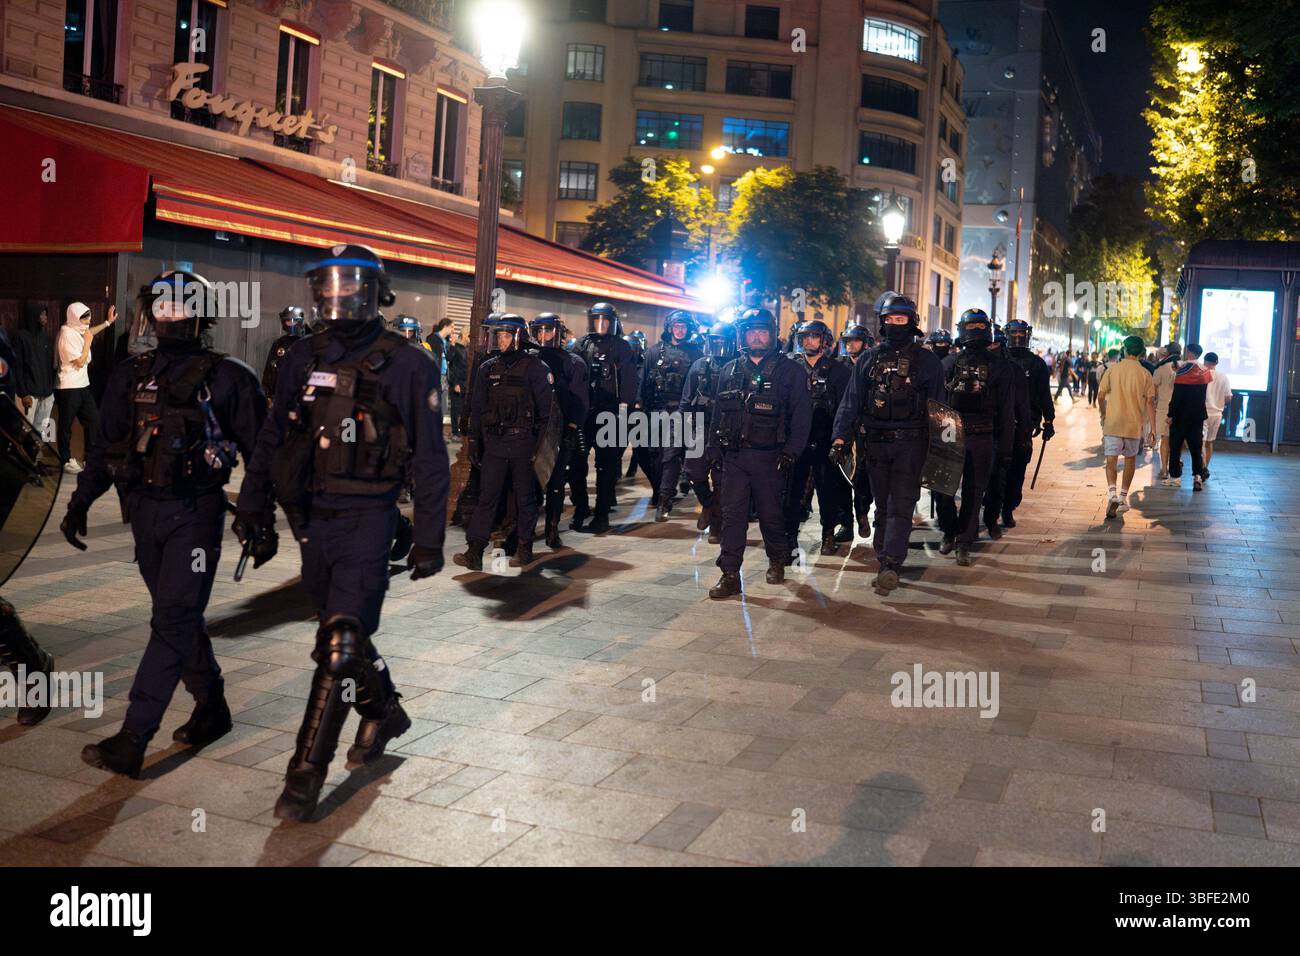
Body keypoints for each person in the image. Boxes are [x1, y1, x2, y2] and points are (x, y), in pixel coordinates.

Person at [234, 244, 447, 821]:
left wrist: (429, 539)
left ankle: (304, 776)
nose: (339, 295)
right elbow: (273, 436)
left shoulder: (409, 364)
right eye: (329, 285)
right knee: (341, 633)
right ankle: (384, 711)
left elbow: (431, 458)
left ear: (377, 291)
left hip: (369, 515)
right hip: (310, 517)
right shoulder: (302, 356)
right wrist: (252, 508)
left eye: (352, 284)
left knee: (339, 645)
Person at [58, 270, 267, 776]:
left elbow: (265, 454)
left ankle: (134, 734)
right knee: (179, 616)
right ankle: (211, 705)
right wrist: (80, 502)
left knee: (171, 618)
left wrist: (261, 518)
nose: (170, 315)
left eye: (181, 306)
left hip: (196, 515)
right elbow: (109, 446)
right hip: (144, 514)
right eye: (163, 306)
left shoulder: (230, 377)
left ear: (200, 314)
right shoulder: (132, 374)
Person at [830, 293, 945, 594]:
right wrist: (840, 437)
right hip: (876, 444)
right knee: (881, 506)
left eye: (901, 319)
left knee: (901, 504)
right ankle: (884, 558)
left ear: (912, 322)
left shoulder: (928, 361)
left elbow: (939, 408)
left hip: (912, 443)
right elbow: (851, 402)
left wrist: (940, 450)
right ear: (882, 323)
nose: (895, 324)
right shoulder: (868, 359)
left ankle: (892, 562)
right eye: (890, 319)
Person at [706, 308, 811, 598]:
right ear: (742, 335)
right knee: (731, 517)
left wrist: (791, 452)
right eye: (751, 331)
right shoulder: (729, 370)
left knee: (771, 515)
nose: (756, 335)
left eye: (762, 330)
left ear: (772, 334)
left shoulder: (791, 371)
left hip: (771, 457)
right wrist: (713, 451)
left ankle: (777, 561)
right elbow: (717, 414)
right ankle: (729, 574)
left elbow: (802, 418)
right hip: (734, 458)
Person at [454, 314, 555, 570]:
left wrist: (538, 451)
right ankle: (474, 551)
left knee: (525, 499)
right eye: (499, 335)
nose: (501, 340)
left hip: (523, 444)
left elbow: (547, 415)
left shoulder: (536, 368)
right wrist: (475, 441)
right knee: (487, 498)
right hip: (496, 444)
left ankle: (524, 546)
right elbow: (477, 409)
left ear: (519, 337)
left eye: (507, 335)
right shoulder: (488, 368)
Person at [931, 310, 1014, 565]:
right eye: (972, 325)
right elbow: (935, 404)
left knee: (974, 491)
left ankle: (964, 542)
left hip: (982, 434)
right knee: (943, 488)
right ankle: (949, 531)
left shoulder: (1000, 366)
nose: (976, 329)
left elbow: (1006, 410)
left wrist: (1005, 448)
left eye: (980, 324)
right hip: (950, 433)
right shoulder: (947, 364)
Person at [783, 319, 851, 558]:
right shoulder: (789, 367)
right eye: (804, 337)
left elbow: (846, 407)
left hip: (825, 440)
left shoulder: (839, 371)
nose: (808, 341)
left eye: (813, 336)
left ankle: (828, 537)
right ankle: (789, 538)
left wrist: (841, 440)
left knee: (827, 491)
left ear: (824, 341)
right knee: (792, 492)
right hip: (795, 441)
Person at [571, 303, 638, 534]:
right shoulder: (581, 344)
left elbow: (629, 379)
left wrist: (623, 409)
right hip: (584, 412)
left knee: (606, 466)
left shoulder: (622, 346)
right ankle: (581, 507)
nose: (601, 324)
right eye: (597, 319)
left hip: (610, 411)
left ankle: (601, 514)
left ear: (612, 322)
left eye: (605, 320)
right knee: (577, 463)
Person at [529, 314, 588, 548]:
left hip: (559, 430)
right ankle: (526, 529)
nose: (543, 336)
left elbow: (580, 400)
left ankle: (552, 528)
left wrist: (572, 427)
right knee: (529, 483)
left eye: (548, 331)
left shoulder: (573, 362)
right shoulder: (528, 359)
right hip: (532, 429)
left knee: (555, 483)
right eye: (539, 331)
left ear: (558, 332)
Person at [646, 311, 704, 520]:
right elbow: (645, 383)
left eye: (683, 327)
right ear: (670, 327)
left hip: (684, 412)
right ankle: (661, 494)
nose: (680, 330)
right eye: (676, 326)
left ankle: (665, 500)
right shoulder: (654, 352)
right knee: (655, 457)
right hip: (657, 411)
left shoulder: (697, 354)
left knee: (673, 457)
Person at [1000, 318, 1054, 527]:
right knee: (998, 467)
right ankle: (995, 503)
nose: (1017, 338)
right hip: (999, 422)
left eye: (1021, 334)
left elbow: (1044, 394)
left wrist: (1049, 419)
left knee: (1018, 467)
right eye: (1013, 334)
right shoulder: (998, 360)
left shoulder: (1037, 364)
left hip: (1025, 423)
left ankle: (1009, 506)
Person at [1097, 335, 1157, 518]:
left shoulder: (1113, 370)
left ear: (1124, 350)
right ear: (1141, 352)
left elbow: (1100, 395)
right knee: (1130, 459)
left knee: (1111, 460)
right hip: (1133, 425)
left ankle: (1112, 493)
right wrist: (1153, 430)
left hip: (1113, 422)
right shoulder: (1145, 374)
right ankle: (1123, 498)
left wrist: (1104, 413)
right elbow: (1150, 402)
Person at [55, 301, 115, 474]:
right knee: (66, 426)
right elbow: (80, 362)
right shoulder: (66, 334)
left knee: (94, 422)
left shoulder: (77, 329)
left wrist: (107, 323)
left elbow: (89, 332)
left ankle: (90, 458)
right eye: (84, 317)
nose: (88, 320)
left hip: (82, 385)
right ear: (74, 318)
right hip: (69, 387)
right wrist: (88, 342)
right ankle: (65, 460)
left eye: (88, 316)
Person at [980, 322, 1026, 541]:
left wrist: (1026, 430)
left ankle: (999, 514)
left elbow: (1020, 404)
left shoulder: (1012, 370)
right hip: (973, 432)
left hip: (1003, 431)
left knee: (1003, 478)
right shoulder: (962, 363)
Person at [1164, 343, 1210, 490]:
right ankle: (1198, 476)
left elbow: (1177, 397)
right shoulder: (1205, 371)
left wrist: (1170, 414)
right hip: (1197, 416)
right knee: (1196, 448)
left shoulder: (1182, 371)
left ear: (1189, 352)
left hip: (1180, 416)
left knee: (1176, 446)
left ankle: (1175, 477)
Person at [14, 305, 56, 437]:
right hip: (29, 394)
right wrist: (23, 393)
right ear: (34, 316)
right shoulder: (21, 336)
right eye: (42, 314)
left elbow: (48, 364)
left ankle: (35, 456)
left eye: (45, 314)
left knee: (42, 430)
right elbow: (17, 366)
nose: (45, 317)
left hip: (46, 393)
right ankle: (22, 457)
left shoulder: (44, 335)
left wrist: (51, 389)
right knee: (25, 428)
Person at [261, 305, 307, 404]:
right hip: (280, 394)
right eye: (288, 321)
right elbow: (269, 370)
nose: (291, 324)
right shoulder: (279, 343)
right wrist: (266, 393)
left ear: (300, 321)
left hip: (301, 394)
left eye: (294, 321)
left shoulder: (307, 342)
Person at [1151, 342, 1180, 479]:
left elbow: (1154, 388)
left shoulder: (1161, 367)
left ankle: (1164, 469)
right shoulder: (1184, 366)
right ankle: (1175, 467)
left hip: (1164, 408)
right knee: (1177, 440)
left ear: (1167, 353)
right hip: (1181, 408)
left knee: (1165, 439)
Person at [1201, 351, 1231, 480]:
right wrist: (1220, 402)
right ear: (1217, 363)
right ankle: (1206, 467)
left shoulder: (1202, 375)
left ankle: (1202, 469)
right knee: (1209, 442)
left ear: (1204, 361)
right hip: (1217, 414)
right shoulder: (1223, 377)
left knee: (1201, 443)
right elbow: (1228, 397)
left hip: (1203, 412)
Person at [447, 328, 469, 437]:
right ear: (465, 335)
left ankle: (461, 431)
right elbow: (450, 361)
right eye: (469, 335)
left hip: (466, 382)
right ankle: (455, 432)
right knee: (456, 409)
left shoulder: (469, 348)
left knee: (463, 409)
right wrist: (456, 383)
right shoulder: (456, 347)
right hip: (457, 383)